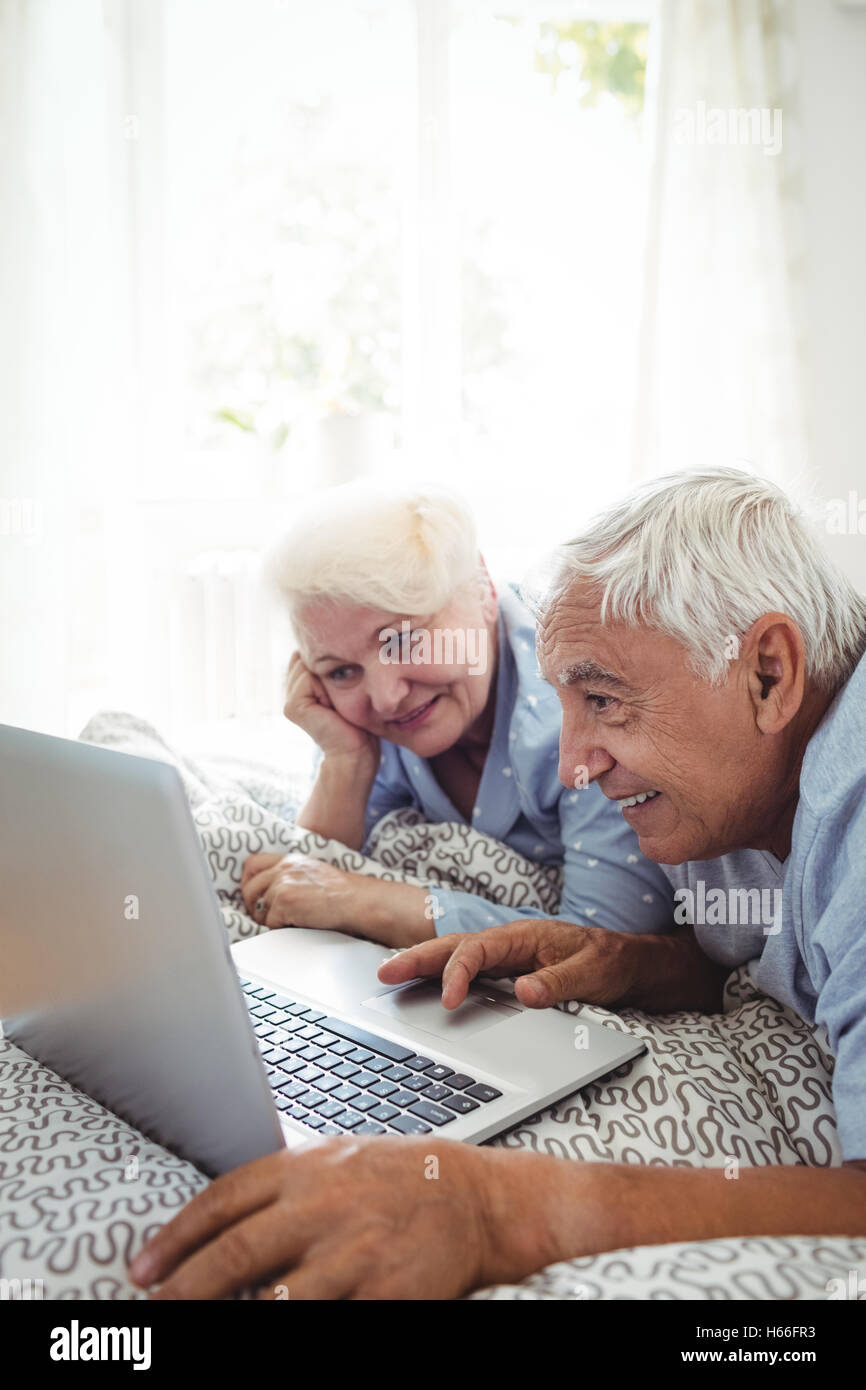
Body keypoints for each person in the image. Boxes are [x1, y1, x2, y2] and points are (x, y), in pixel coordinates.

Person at [130, 467, 866, 1302]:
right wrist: (621, 959)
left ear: (768, 673)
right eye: (565, 703)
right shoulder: (730, 785)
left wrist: (498, 1209)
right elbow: (753, 952)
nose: (572, 767)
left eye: (605, 701)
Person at [239, 480, 672, 946]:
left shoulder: (579, 706)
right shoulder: (361, 715)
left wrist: (365, 902)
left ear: (483, 589)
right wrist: (345, 763)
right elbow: (302, 887)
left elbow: (605, 939)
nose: (385, 697)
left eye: (403, 639)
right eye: (342, 670)